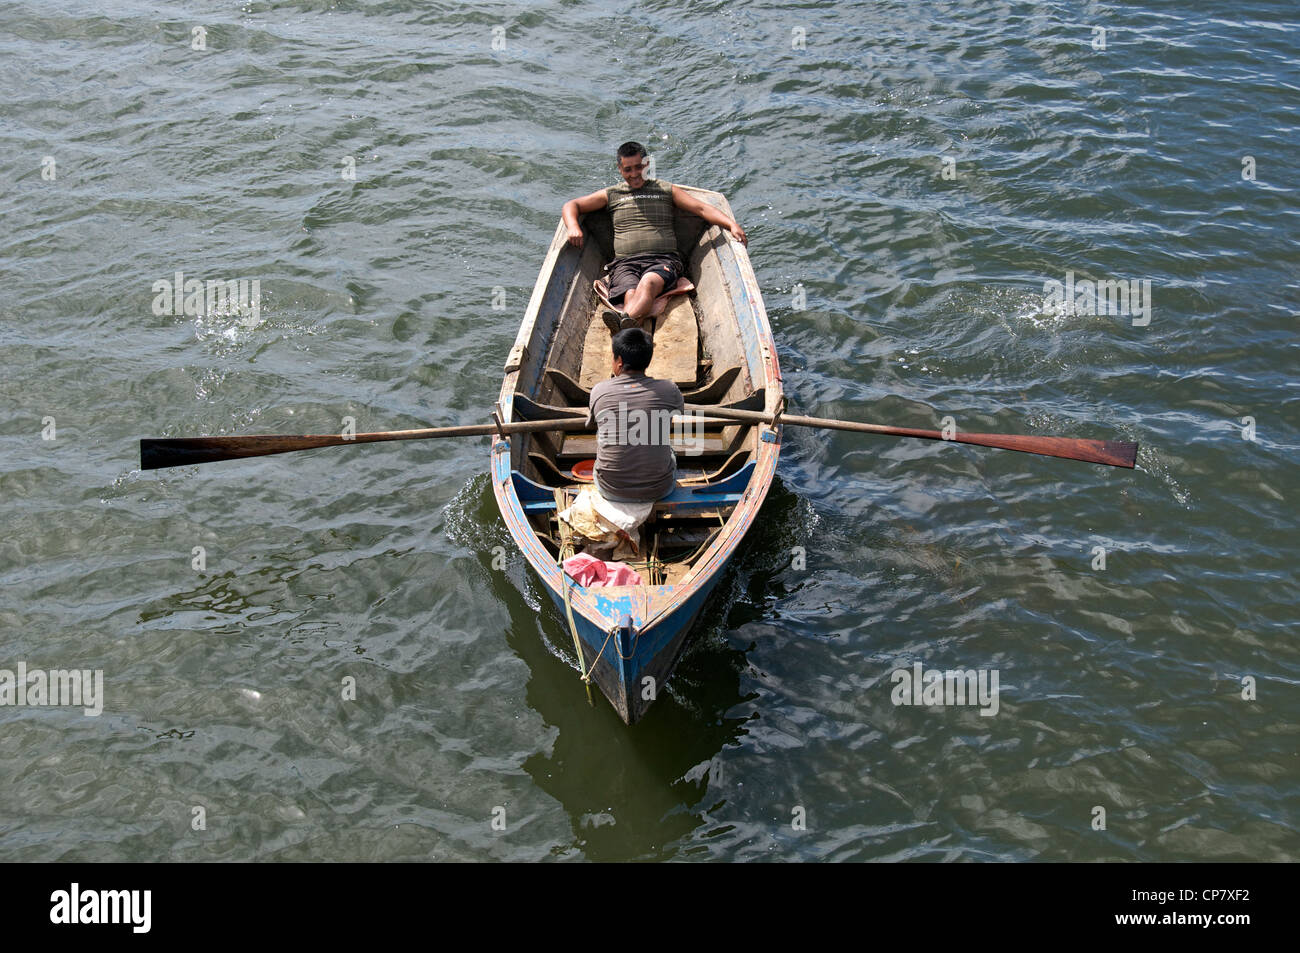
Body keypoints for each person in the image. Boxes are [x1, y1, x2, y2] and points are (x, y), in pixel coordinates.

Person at [561, 141, 748, 332]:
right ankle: (629, 329)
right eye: (628, 169)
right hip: (625, 264)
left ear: (647, 164)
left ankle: (622, 324)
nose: (634, 174)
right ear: (619, 169)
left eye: (639, 167)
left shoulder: (665, 190)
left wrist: (731, 224)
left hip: (662, 260)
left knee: (648, 283)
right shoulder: (612, 194)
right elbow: (571, 205)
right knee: (630, 294)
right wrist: (573, 226)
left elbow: (701, 208)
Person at [587, 327, 684, 503]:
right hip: (661, 489)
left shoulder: (599, 390)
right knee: (670, 450)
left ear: (619, 361)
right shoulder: (670, 390)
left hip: (610, 489)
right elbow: (669, 421)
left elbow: (595, 424)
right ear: (647, 360)